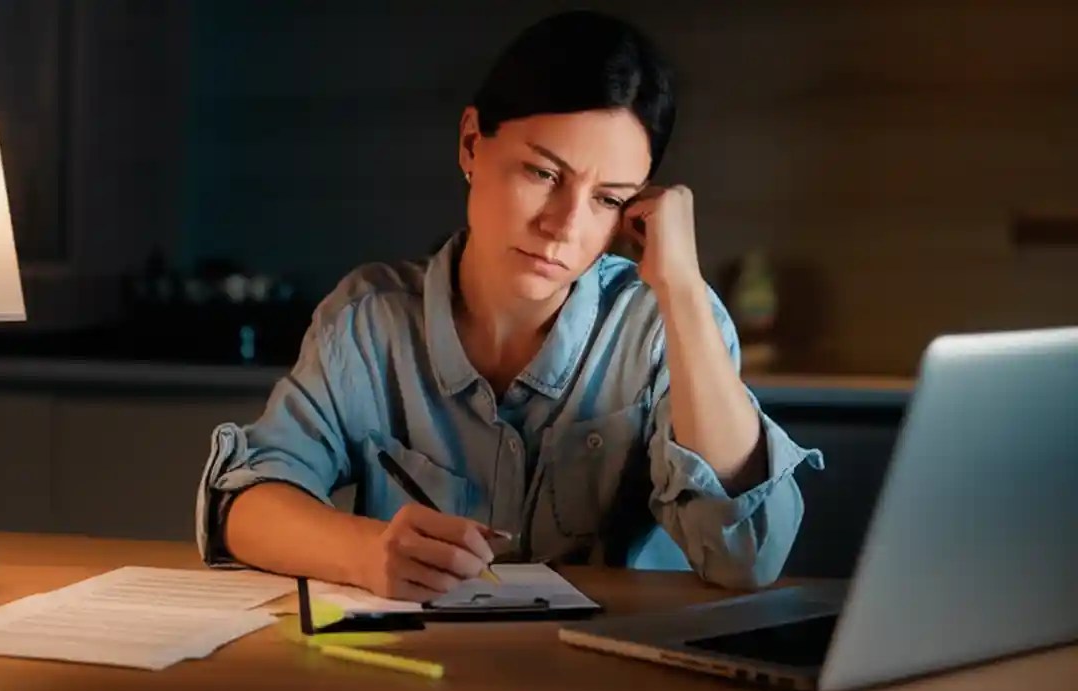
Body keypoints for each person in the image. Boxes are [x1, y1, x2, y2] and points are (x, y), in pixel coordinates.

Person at [194, 9, 824, 599]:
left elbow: (749, 555)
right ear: (471, 143)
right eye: (543, 174)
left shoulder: (664, 329)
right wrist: (363, 552)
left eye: (608, 199)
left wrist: (683, 290)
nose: (564, 225)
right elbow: (243, 499)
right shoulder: (371, 321)